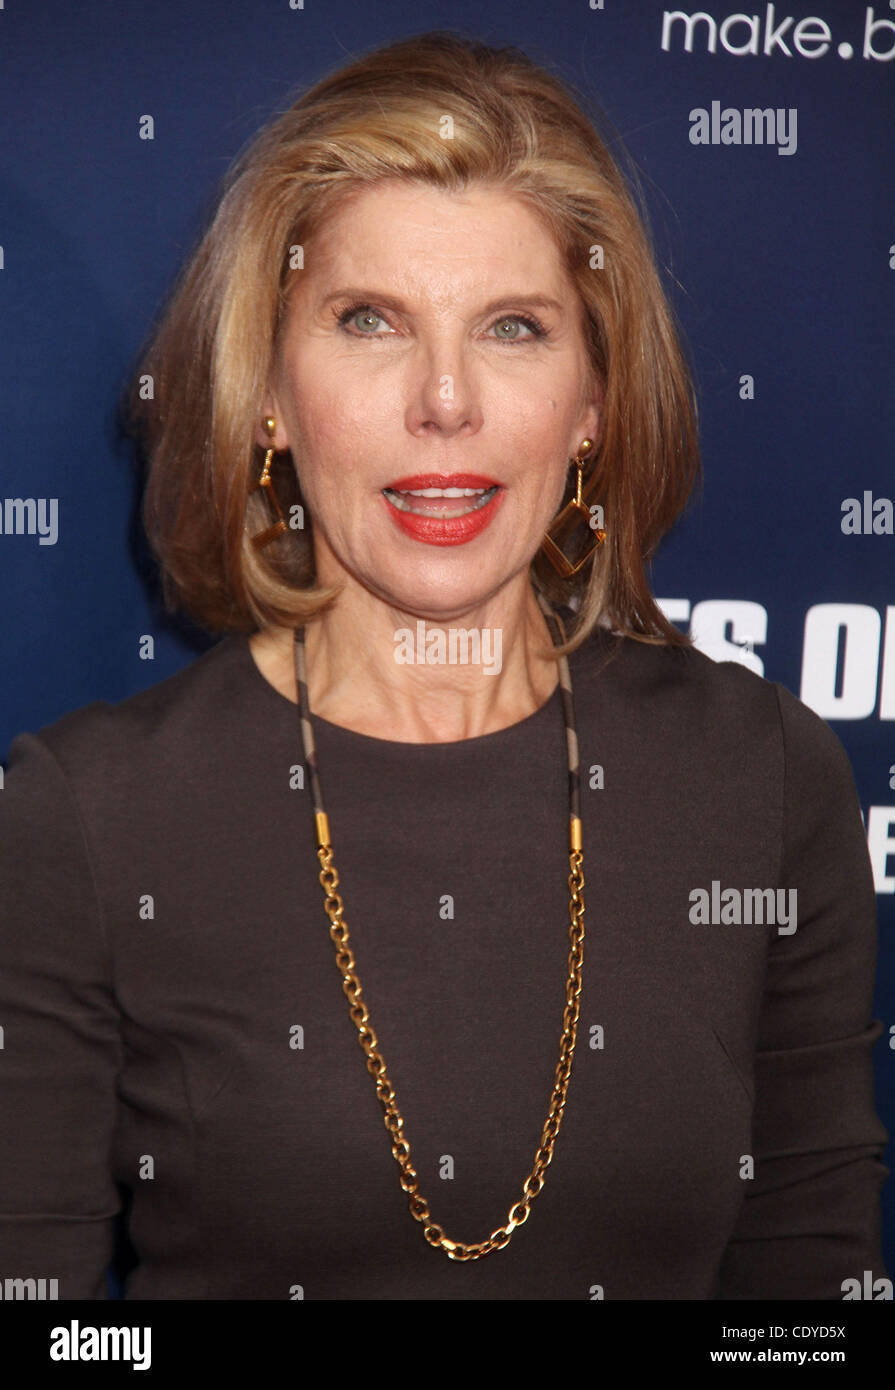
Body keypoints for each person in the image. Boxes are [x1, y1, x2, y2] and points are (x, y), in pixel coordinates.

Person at [0, 31, 888, 1301]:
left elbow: (807, 1293)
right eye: (368, 321)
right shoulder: (86, 813)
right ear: (266, 391)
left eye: (514, 328)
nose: (445, 401)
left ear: (592, 402)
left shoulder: (760, 772)